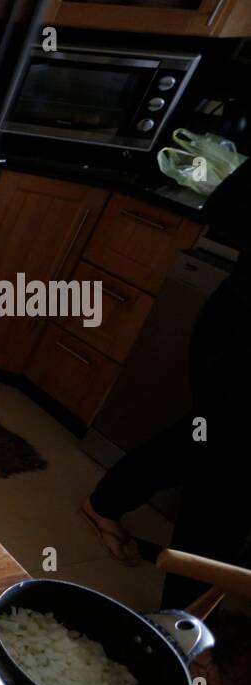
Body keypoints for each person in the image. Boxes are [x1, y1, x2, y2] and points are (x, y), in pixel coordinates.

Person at [82, 160, 251, 608]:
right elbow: (227, 207)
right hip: (245, 328)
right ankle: (181, 625)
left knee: (205, 437)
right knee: (228, 474)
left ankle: (106, 501)